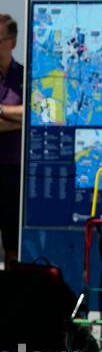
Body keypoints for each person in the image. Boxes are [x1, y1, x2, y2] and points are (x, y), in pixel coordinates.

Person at [0, 14, 23, 267]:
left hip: (15, 176)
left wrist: (1, 111)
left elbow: (34, 115)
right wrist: (16, 115)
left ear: (12, 43)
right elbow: (23, 115)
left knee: (12, 248)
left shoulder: (24, 77)